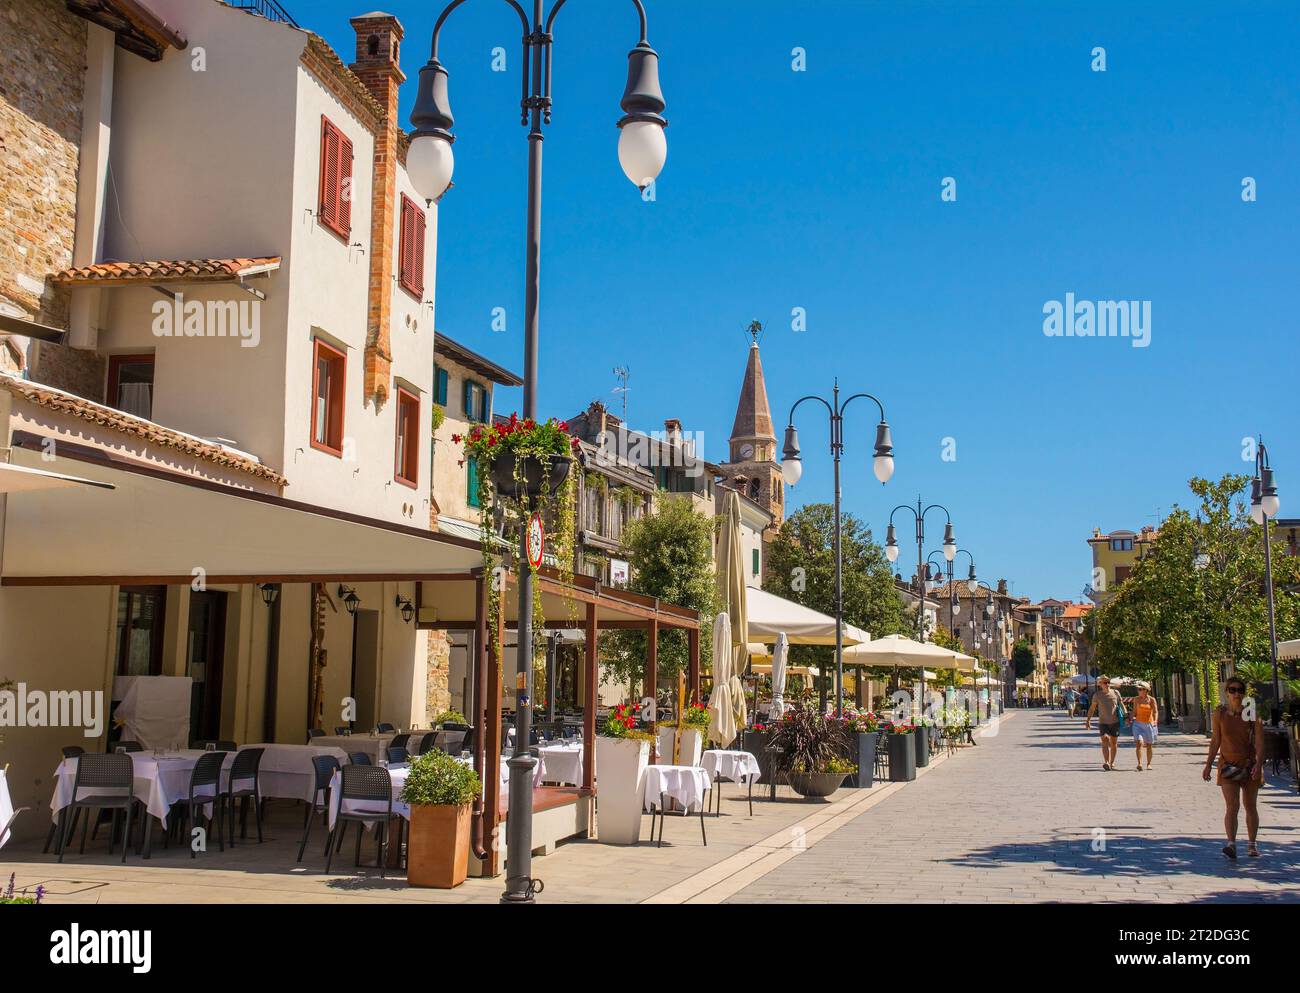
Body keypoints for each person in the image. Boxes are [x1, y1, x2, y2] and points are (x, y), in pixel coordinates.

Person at [1203, 677, 1266, 860]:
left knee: (1250, 806)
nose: (1236, 694)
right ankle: (1231, 844)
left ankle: (1252, 844)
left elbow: (1260, 743)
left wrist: (1259, 764)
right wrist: (1208, 764)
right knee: (1232, 806)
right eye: (1232, 690)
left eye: (1240, 690)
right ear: (1226, 693)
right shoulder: (1220, 714)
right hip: (1228, 766)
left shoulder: (1252, 714)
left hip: (1249, 765)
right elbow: (1216, 740)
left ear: (1244, 693)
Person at [1085, 676, 1122, 771]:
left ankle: (1112, 762)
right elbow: (1092, 708)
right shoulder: (1097, 695)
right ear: (1100, 684)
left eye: (1108, 682)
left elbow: (1121, 705)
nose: (1106, 684)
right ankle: (1106, 762)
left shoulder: (1116, 693)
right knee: (1105, 739)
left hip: (1115, 721)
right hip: (1103, 722)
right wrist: (1088, 720)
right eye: (1104, 682)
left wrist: (1126, 717)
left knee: (1113, 743)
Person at [1130, 683, 1159, 770]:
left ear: (1146, 690)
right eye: (1138, 689)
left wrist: (1155, 721)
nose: (1139, 691)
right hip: (1138, 724)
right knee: (1139, 743)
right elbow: (1134, 711)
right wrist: (1129, 718)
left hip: (1149, 724)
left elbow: (1155, 712)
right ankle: (1139, 763)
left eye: (1141, 689)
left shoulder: (1151, 700)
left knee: (1149, 745)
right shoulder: (1136, 699)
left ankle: (1149, 764)